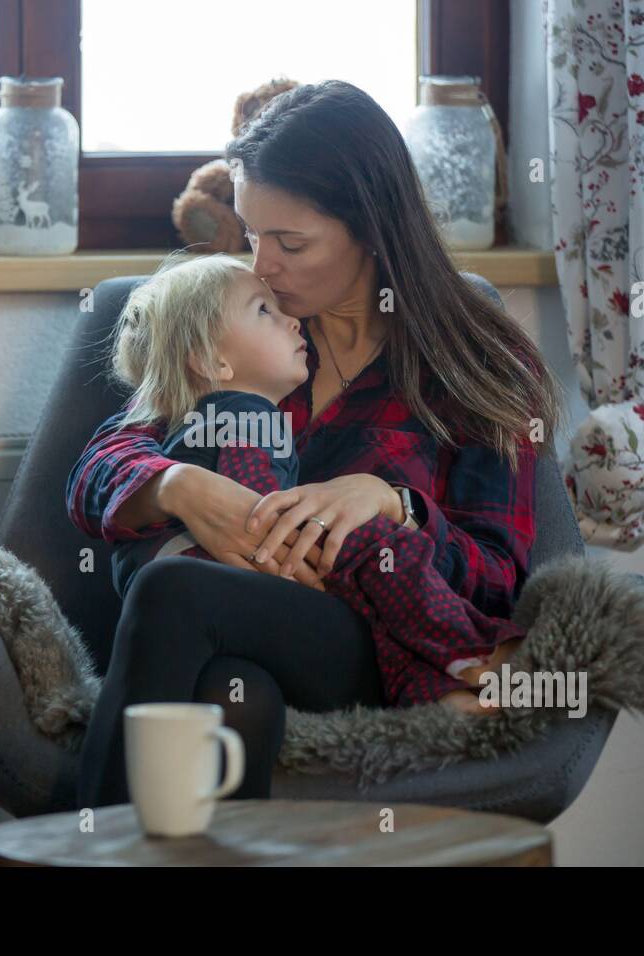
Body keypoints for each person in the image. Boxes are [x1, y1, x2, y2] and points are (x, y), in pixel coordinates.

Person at [66, 80, 566, 809]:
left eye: (289, 242)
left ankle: (81, 855)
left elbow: (498, 578)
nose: (260, 262)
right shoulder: (239, 327)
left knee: (172, 587)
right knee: (234, 696)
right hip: (236, 649)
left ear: (369, 225)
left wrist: (396, 507)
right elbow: (95, 472)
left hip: (373, 646)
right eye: (251, 231)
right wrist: (182, 488)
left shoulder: (478, 366)